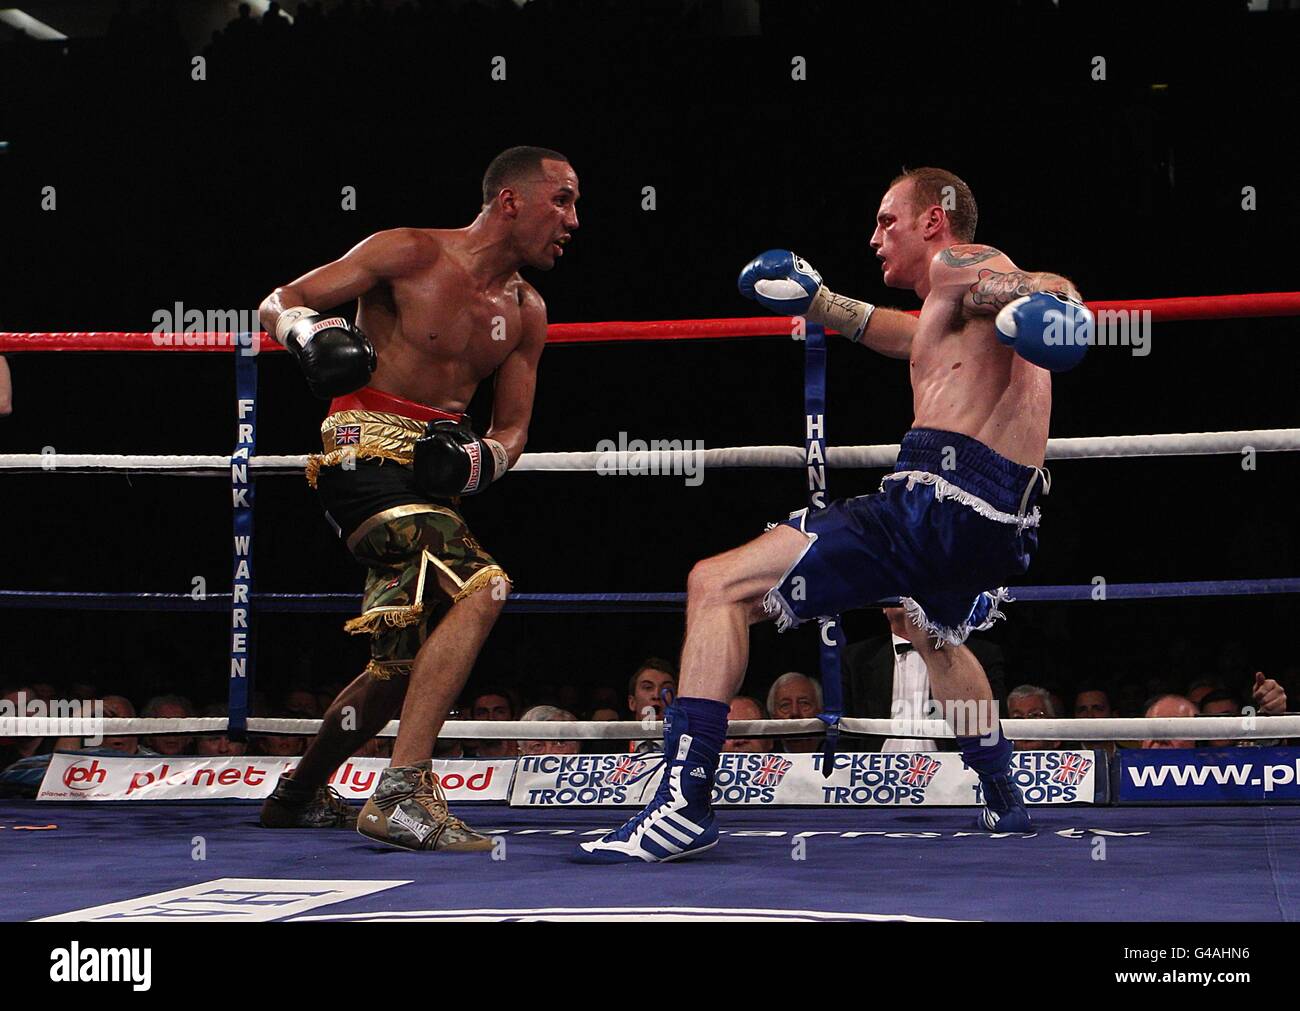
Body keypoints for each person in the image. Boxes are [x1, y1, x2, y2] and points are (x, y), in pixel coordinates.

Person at [581, 167, 1089, 862]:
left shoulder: (959, 264)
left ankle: (682, 803)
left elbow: (1014, 280)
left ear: (934, 221)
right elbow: (910, 336)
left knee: (716, 583)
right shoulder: (953, 318)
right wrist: (819, 302)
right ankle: (1004, 797)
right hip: (1002, 519)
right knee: (930, 628)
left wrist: (1052, 298)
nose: (875, 237)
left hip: (933, 497)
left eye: (888, 220)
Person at [258, 146, 577, 852]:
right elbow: (280, 300)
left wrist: (477, 462)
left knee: (397, 670)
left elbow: (513, 428)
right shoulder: (407, 251)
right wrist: (309, 334)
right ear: (511, 201)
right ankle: (402, 792)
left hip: (435, 473)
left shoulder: (528, 311)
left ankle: (299, 794)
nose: (572, 219)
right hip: (359, 449)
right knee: (483, 586)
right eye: (563, 199)